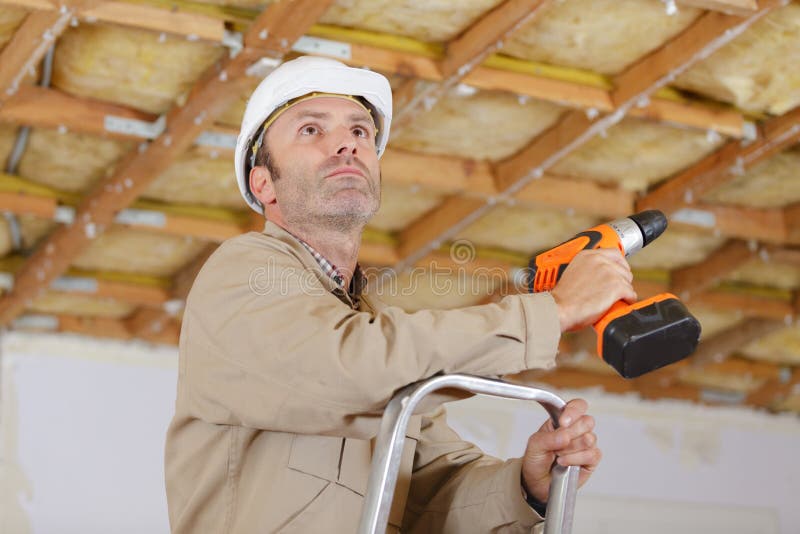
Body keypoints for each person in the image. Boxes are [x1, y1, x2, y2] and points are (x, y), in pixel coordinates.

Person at [164, 56, 636, 533]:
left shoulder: (379, 335)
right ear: (263, 182)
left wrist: (527, 486)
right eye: (311, 130)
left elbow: (431, 491)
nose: (346, 142)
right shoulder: (242, 275)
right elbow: (347, 366)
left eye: (360, 132)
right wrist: (552, 312)